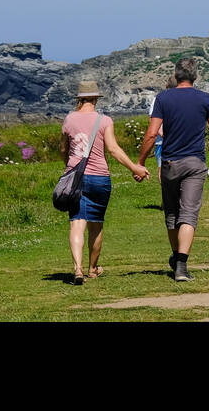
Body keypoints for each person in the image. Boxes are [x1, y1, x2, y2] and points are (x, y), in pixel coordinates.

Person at [138, 57, 209, 281]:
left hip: (170, 163)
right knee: (189, 214)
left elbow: (151, 134)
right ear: (195, 76)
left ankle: (176, 256)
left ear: (175, 75)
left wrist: (139, 162)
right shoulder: (205, 99)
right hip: (195, 164)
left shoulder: (163, 98)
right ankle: (181, 266)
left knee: (171, 213)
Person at [61, 80, 148, 284]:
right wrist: (135, 168)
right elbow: (114, 150)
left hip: (76, 178)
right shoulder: (104, 120)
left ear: (80, 99)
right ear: (96, 99)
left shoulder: (69, 119)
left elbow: (64, 149)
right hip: (100, 178)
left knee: (76, 224)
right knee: (96, 225)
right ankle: (92, 269)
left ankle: (78, 269)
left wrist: (69, 167)